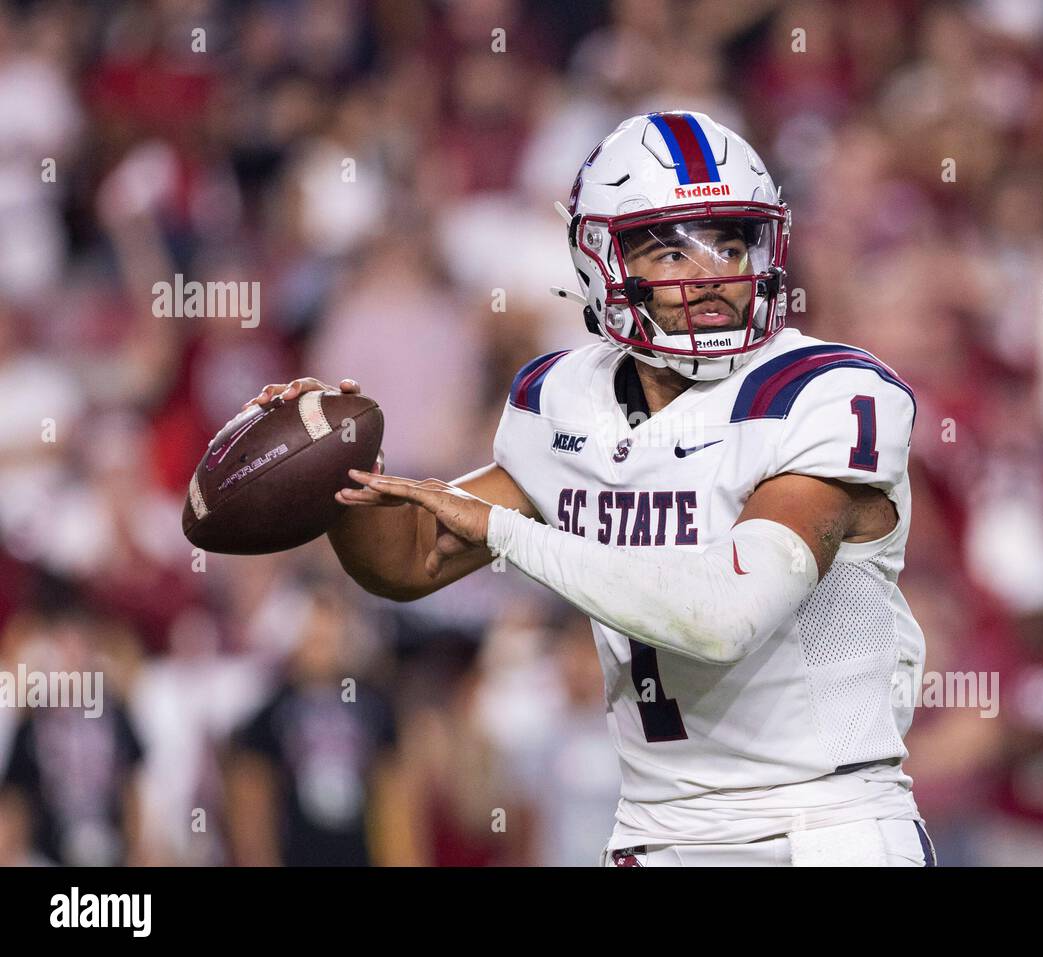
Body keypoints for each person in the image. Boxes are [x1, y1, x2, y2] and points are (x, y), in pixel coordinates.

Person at [247, 111, 933, 867]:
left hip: (822, 827)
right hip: (657, 828)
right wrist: (342, 469)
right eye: (673, 247)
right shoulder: (564, 399)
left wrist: (509, 531)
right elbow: (410, 561)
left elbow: (725, 614)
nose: (711, 274)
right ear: (600, 259)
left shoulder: (825, 392)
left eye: (731, 242)